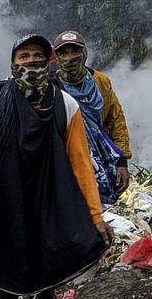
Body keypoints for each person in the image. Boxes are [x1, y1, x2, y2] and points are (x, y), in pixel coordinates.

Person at [0, 35, 111, 299]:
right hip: (3, 199)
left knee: (51, 245)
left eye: (38, 56)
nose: (31, 62)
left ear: (48, 61)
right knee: (1, 250)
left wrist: (95, 216)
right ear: (13, 63)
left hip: (50, 196)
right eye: (24, 57)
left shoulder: (65, 105)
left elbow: (81, 164)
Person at [52, 31, 133, 202]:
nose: (70, 58)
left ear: (84, 53)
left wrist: (122, 161)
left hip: (103, 156)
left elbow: (115, 119)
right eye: (64, 53)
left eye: (75, 51)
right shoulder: (52, 87)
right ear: (56, 57)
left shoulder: (100, 82)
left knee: (105, 203)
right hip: (68, 158)